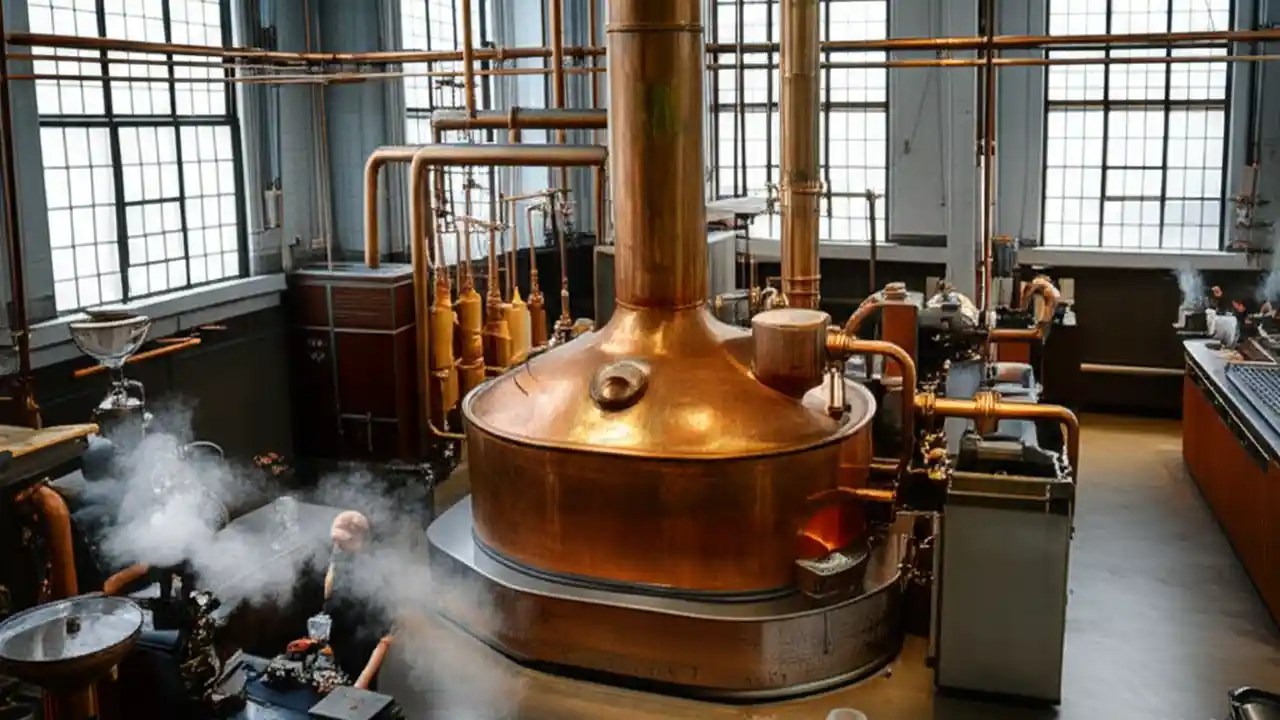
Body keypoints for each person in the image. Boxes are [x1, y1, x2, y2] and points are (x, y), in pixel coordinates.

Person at [322, 511, 393, 689]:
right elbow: (331, 576)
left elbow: (386, 638)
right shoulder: (340, 553)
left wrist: (362, 681)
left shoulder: (377, 576)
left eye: (344, 541)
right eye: (335, 541)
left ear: (361, 541)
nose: (337, 545)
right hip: (339, 644)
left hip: (362, 651)